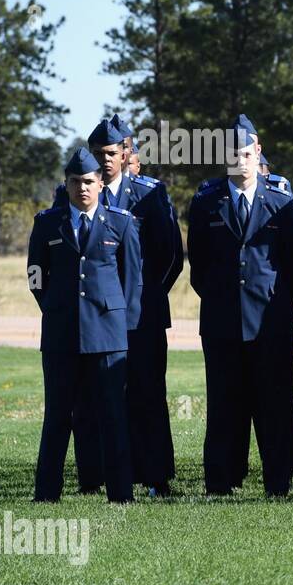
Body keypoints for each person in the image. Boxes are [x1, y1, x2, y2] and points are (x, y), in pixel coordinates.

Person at [52, 117, 181, 497]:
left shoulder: (149, 194)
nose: (104, 161)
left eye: (110, 154)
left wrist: (142, 299)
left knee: (146, 394)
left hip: (142, 317)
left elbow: (170, 255)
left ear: (126, 154)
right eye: (97, 155)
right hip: (91, 318)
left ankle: (156, 476)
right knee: (89, 400)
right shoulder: (71, 195)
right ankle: (93, 477)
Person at [187, 114, 293, 497]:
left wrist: (278, 303)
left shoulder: (282, 204)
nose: (239, 159)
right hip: (222, 321)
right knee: (223, 404)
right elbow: (199, 265)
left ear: (257, 153)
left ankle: (277, 483)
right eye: (231, 154)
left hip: (271, 321)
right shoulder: (207, 203)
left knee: (272, 403)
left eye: (245, 152)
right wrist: (224, 300)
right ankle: (219, 484)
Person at [29, 148, 142, 503]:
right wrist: (53, 307)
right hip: (61, 335)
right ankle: (47, 494)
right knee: (58, 417)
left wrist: (120, 322)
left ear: (100, 183)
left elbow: (132, 280)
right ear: (67, 183)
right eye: (76, 182)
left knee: (112, 416)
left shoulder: (121, 222)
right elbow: (35, 276)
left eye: (89, 182)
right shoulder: (47, 223)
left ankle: (120, 494)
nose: (83, 188)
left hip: (107, 336)